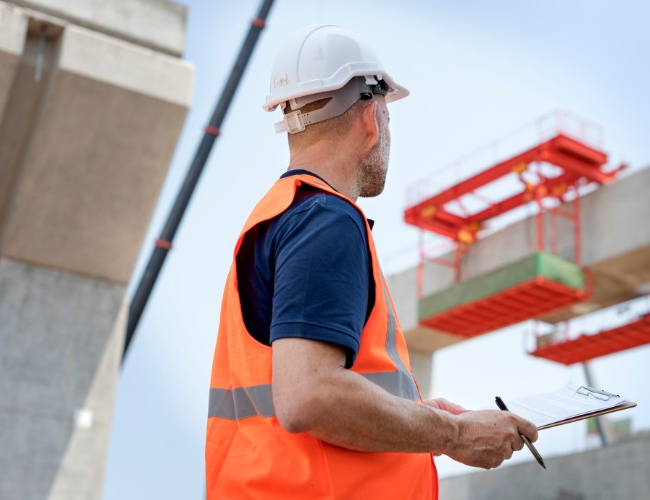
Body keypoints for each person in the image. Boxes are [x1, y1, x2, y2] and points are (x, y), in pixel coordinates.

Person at [205, 24, 538, 499]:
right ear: (371, 117)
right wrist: (457, 435)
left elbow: (311, 387)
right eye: (388, 117)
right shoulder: (326, 220)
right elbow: (309, 396)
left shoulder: (279, 215)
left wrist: (427, 416)